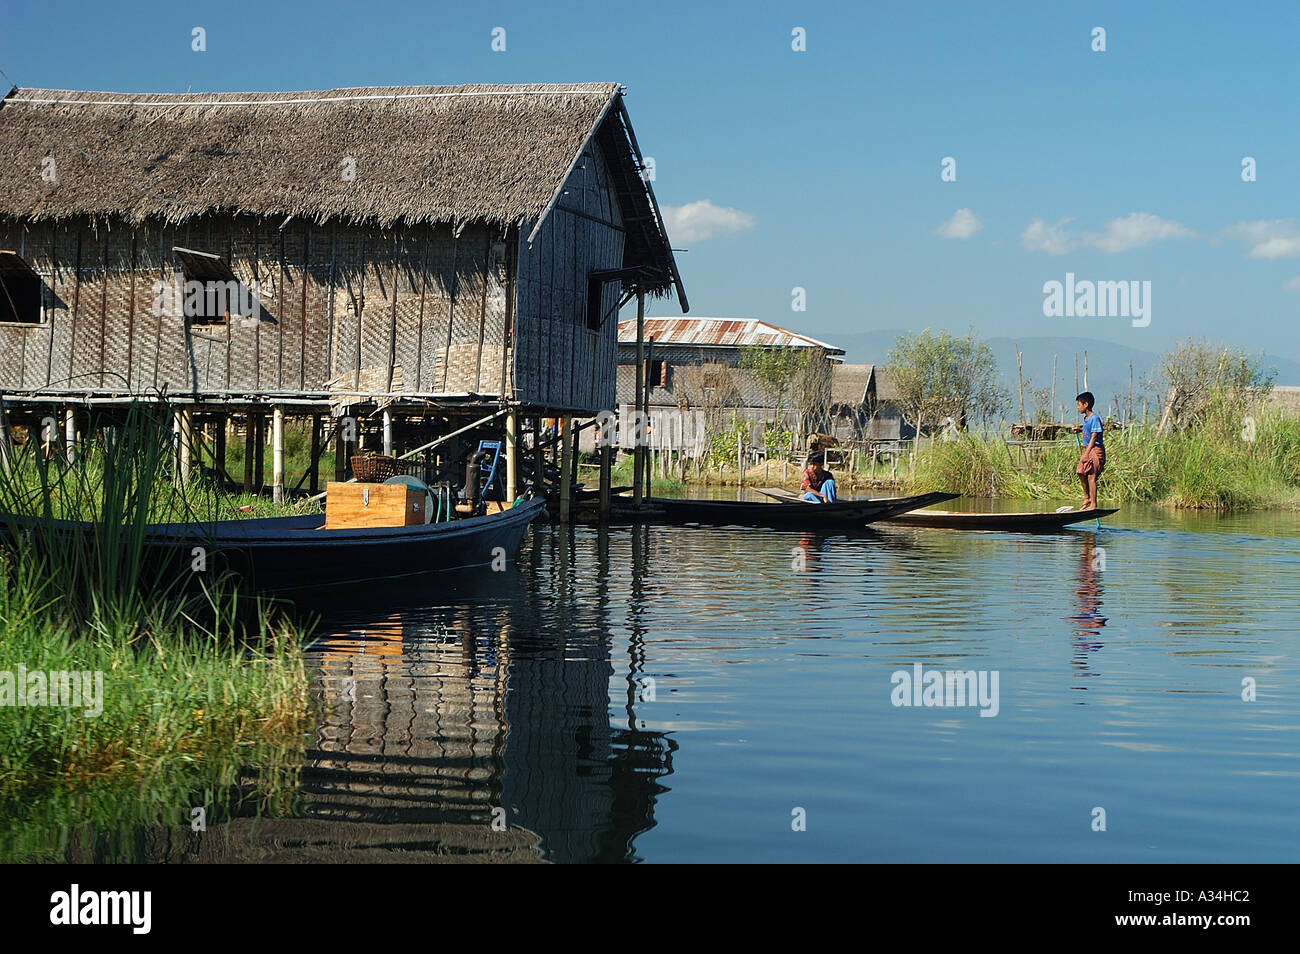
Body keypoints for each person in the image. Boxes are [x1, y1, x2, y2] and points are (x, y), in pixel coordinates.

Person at [1070, 391, 1105, 511]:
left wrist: (1086, 454)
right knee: (1080, 471)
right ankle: (1087, 497)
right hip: (1088, 449)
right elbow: (1088, 431)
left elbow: (1094, 436)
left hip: (1095, 450)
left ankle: (1093, 505)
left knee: (1092, 477)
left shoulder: (1094, 418)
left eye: (1079, 405)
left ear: (1086, 404)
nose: (1078, 408)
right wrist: (1079, 430)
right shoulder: (1086, 419)